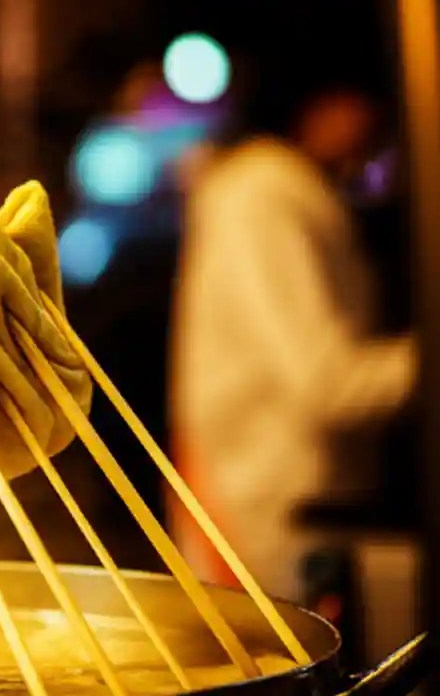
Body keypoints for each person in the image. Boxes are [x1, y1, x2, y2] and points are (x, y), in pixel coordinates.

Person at [170, 82, 417, 602]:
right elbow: (328, 382)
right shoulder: (266, 193)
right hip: (265, 517)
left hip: (268, 505)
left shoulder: (267, 188)